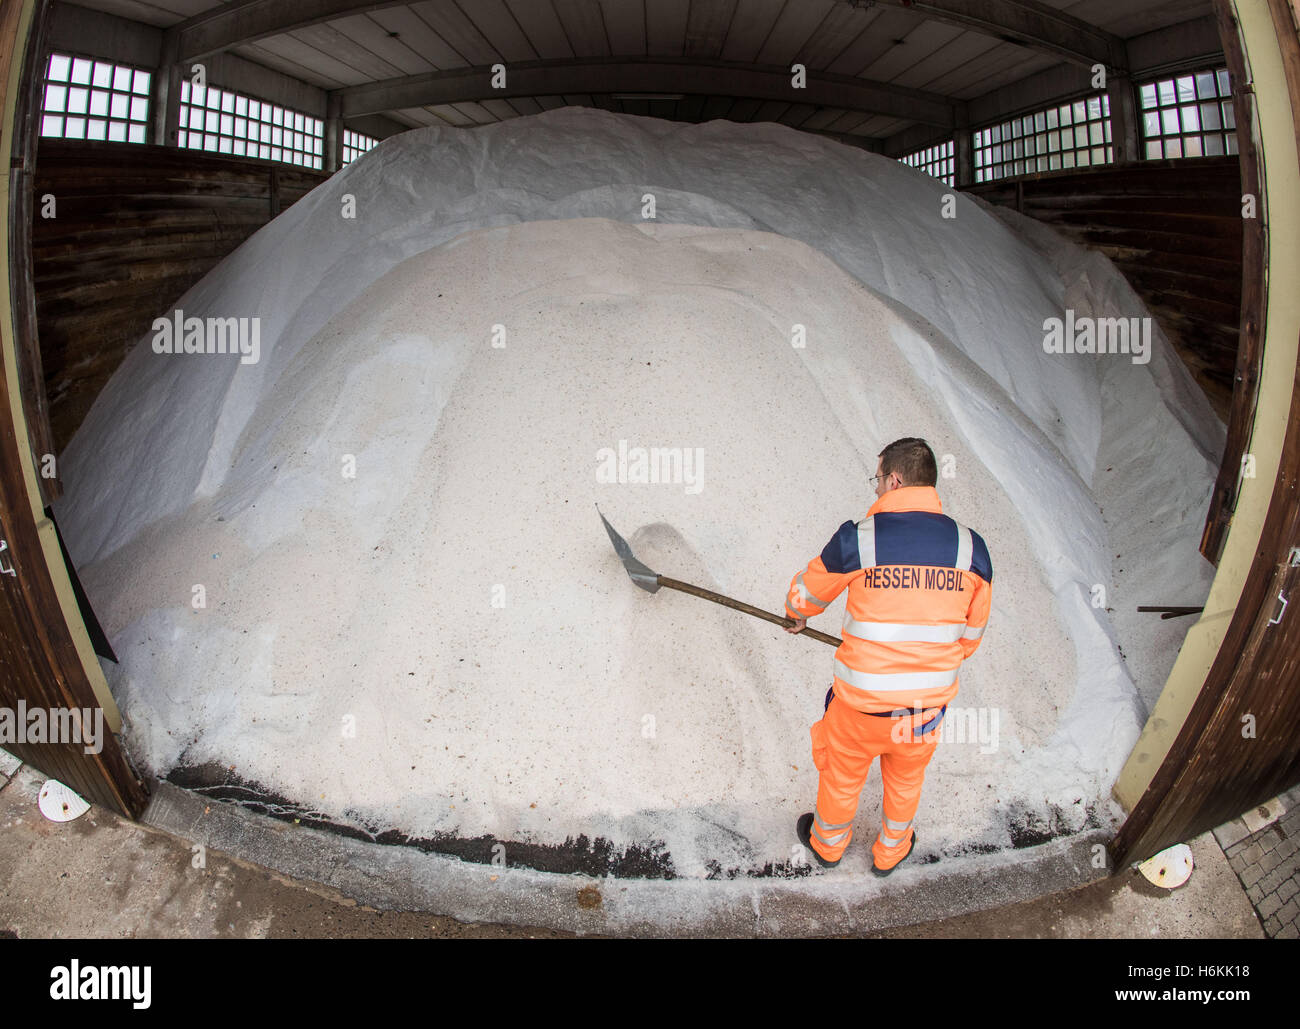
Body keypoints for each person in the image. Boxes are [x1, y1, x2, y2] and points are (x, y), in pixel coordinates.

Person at [783, 437, 992, 875]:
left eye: (877, 479)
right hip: (924, 710)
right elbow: (970, 638)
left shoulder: (860, 539)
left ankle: (828, 846)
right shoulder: (971, 549)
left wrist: (796, 613)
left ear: (894, 479)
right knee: (906, 780)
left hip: (862, 709)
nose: (875, 489)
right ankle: (891, 851)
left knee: (842, 777)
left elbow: (807, 595)